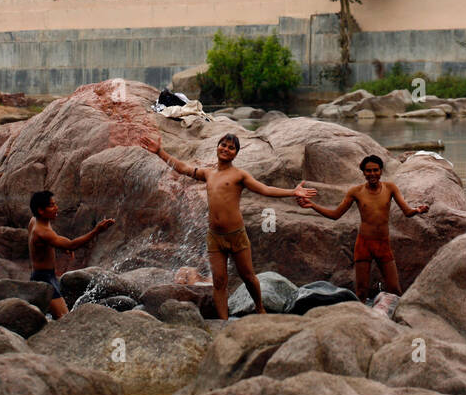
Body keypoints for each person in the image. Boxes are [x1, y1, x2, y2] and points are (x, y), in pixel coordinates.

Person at [140, 132, 316, 319]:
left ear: (235, 154)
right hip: (215, 237)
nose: (226, 149)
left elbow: (265, 189)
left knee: (248, 276)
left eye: (231, 147)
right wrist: (160, 152)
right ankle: (223, 322)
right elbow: (183, 168)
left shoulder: (239, 175)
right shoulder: (209, 173)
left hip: (236, 235)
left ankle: (259, 308)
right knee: (219, 281)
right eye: (223, 145)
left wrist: (293, 192)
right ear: (217, 147)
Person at [296, 155, 429, 299]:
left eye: (375, 170)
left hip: (383, 244)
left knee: (395, 288)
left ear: (381, 171)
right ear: (364, 173)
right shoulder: (356, 192)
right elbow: (335, 215)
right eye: (368, 171)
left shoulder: (390, 188)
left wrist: (417, 210)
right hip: (364, 244)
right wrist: (312, 205)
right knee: (361, 291)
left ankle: (396, 319)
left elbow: (407, 211)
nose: (372, 174)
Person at [27, 190, 115, 319]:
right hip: (43, 279)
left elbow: (46, 242)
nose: (56, 207)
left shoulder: (36, 220)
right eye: (51, 205)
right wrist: (97, 231)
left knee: (54, 317)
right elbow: (72, 244)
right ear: (41, 210)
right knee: (65, 319)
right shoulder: (41, 231)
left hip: (49, 276)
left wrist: (59, 246)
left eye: (55, 203)